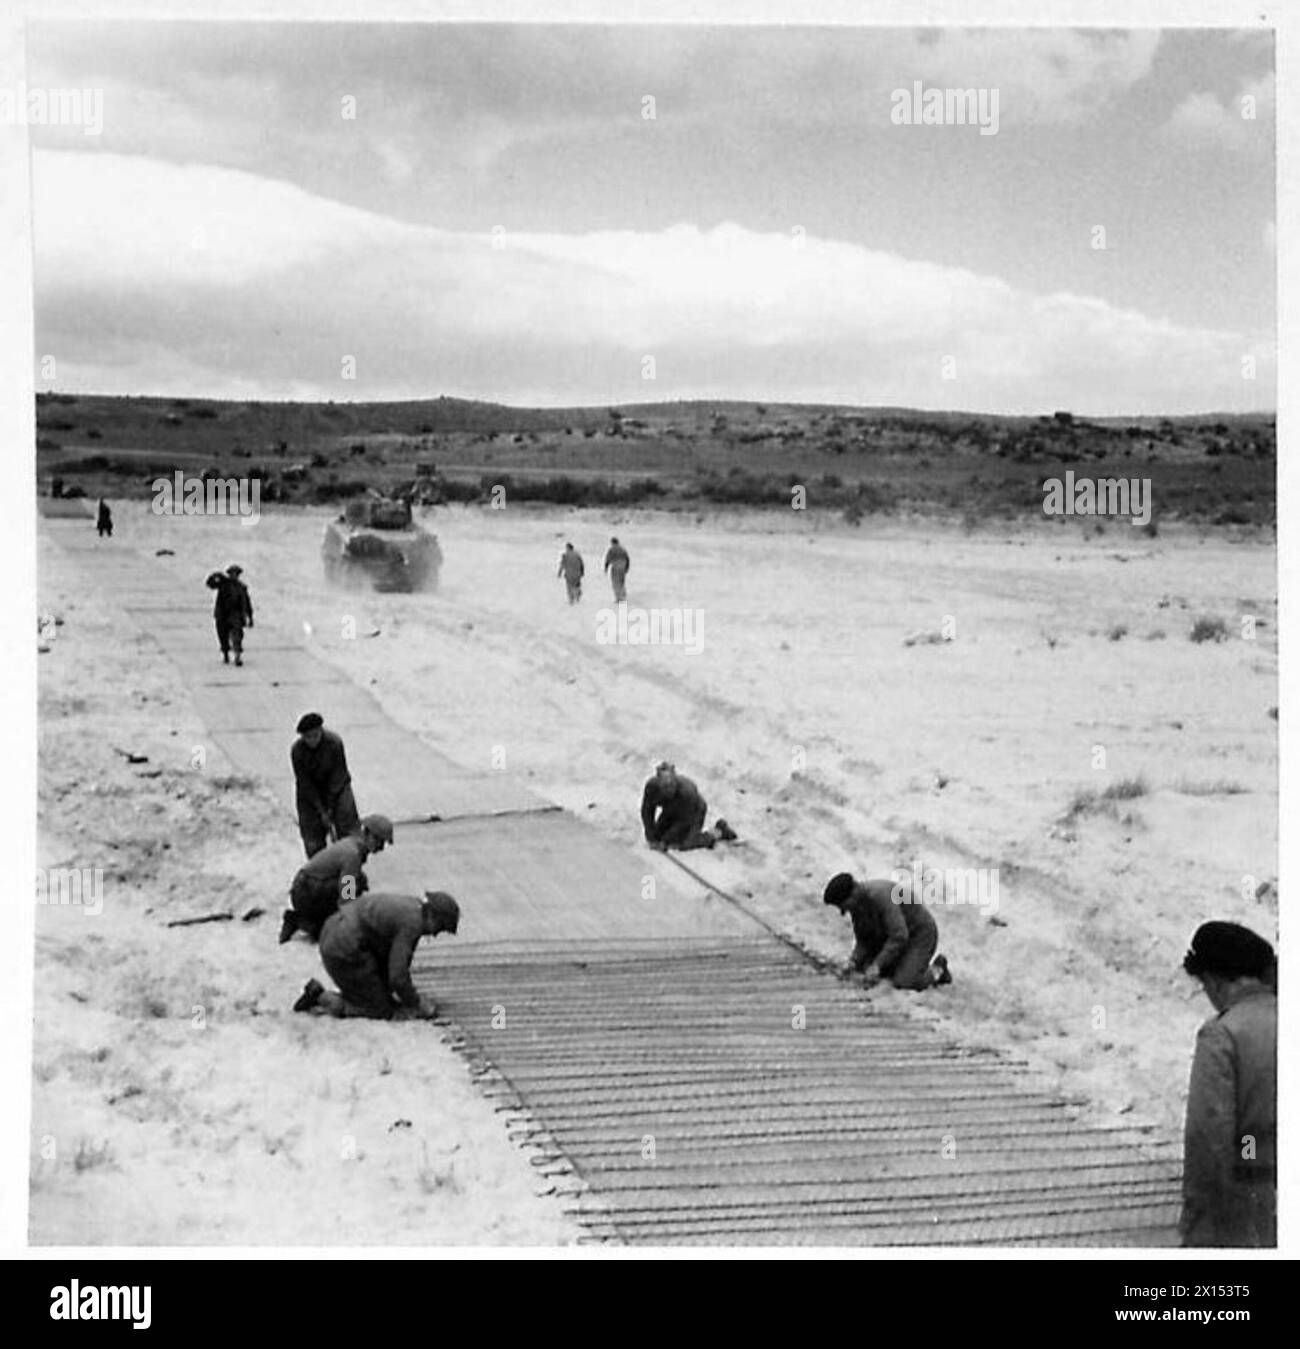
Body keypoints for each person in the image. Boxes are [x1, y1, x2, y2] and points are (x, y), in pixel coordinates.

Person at [1179, 920, 1277, 1248]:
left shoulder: (1225, 1033)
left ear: (1214, 980)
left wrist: (1200, 1224)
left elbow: (1210, 1135)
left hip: (1253, 1194)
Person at [293, 891, 460, 1020]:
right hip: (343, 945)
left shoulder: (412, 909)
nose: (436, 934)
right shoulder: (351, 857)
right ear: (432, 916)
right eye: (439, 928)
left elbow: (396, 960)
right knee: (378, 1010)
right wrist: (416, 1002)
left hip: (336, 927)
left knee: (381, 995)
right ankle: (323, 999)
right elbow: (398, 975)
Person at [822, 872, 951, 991]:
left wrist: (878, 965)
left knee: (904, 981)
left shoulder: (881, 897)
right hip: (889, 935)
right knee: (864, 968)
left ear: (853, 893)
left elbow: (899, 936)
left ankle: (937, 971)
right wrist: (853, 961)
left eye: (845, 907)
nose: (845, 912)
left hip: (919, 935)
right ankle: (900, 963)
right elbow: (864, 939)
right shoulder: (857, 904)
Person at [279, 814, 394, 944]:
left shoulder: (352, 844)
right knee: (356, 888)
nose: (380, 847)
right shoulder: (352, 854)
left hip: (304, 888)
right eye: (378, 841)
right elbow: (346, 895)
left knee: (360, 881)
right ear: (367, 834)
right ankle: (302, 921)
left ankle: (308, 920)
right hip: (306, 892)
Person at [291, 712, 361, 858]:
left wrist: (329, 808)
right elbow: (305, 784)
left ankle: (349, 879)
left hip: (337, 789)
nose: (311, 740)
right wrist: (321, 810)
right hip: (310, 795)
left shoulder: (334, 744)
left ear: (321, 731)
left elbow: (338, 777)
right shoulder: (297, 751)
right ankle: (321, 874)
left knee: (347, 825)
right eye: (307, 737)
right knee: (312, 838)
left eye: (315, 735)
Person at [640, 761, 736, 852]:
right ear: (658, 783)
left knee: (685, 844)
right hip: (671, 811)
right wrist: (650, 836)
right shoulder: (651, 788)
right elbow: (647, 810)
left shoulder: (687, 792)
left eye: (671, 786)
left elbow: (683, 822)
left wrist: (666, 841)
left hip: (694, 811)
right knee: (657, 836)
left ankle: (718, 832)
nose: (669, 790)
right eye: (665, 787)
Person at [205, 563, 254, 666]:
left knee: (237, 635)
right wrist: (214, 576)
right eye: (232, 574)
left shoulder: (242, 587)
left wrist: (249, 617)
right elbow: (210, 584)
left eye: (236, 574)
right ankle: (226, 653)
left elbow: (247, 602)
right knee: (223, 635)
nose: (234, 576)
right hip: (222, 614)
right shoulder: (223, 584)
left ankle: (237, 656)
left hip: (235, 614)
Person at [603, 536, 630, 601]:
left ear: (612, 542)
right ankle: (623, 594)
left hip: (615, 567)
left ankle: (618, 597)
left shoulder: (611, 549)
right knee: (621, 581)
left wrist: (606, 568)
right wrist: (627, 568)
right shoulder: (623, 549)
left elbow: (607, 559)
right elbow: (627, 559)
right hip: (622, 567)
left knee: (615, 582)